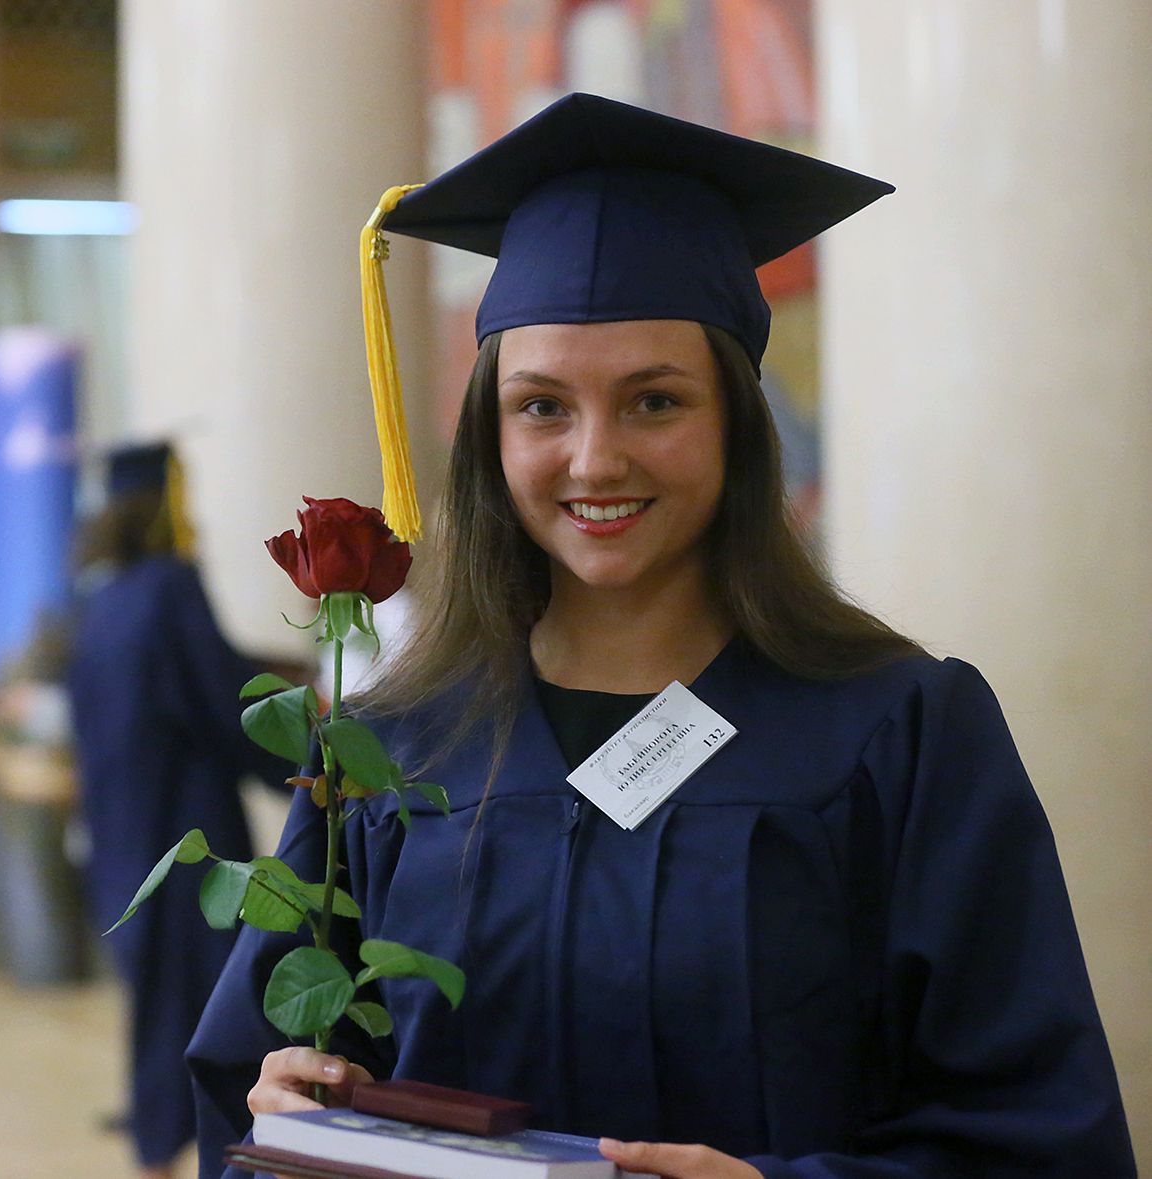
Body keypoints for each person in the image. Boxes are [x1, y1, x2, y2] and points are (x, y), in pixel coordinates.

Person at [185, 94, 1136, 1178]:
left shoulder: (897, 731)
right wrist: (291, 1114)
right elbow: (259, 1081)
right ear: (488, 436)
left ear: (736, 422)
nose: (594, 461)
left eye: (654, 402)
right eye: (542, 407)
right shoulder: (392, 750)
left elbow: (1036, 1140)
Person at [69, 441, 288, 1179]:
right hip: (186, 838)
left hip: (122, 838)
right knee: (215, 1015)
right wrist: (302, 757)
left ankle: (152, 1156)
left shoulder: (102, 598)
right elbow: (221, 699)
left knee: (158, 1013)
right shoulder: (170, 585)